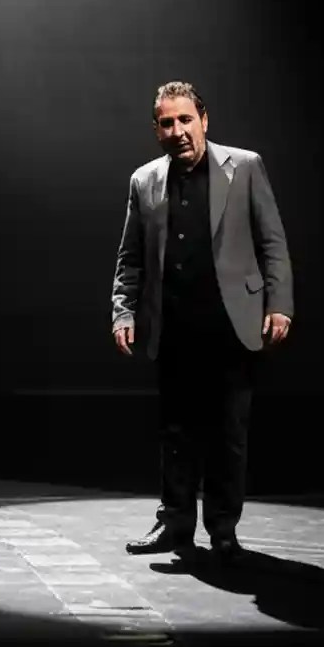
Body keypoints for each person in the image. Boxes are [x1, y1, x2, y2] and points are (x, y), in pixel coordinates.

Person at [110, 80, 293, 564]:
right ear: (157, 130)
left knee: (228, 433)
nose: (178, 130)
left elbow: (272, 241)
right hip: (173, 325)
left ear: (204, 120)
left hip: (231, 325)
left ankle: (223, 531)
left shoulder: (246, 167)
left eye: (185, 119)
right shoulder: (143, 180)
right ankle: (174, 524)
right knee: (175, 432)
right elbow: (131, 258)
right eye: (167, 122)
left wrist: (280, 305)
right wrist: (123, 310)